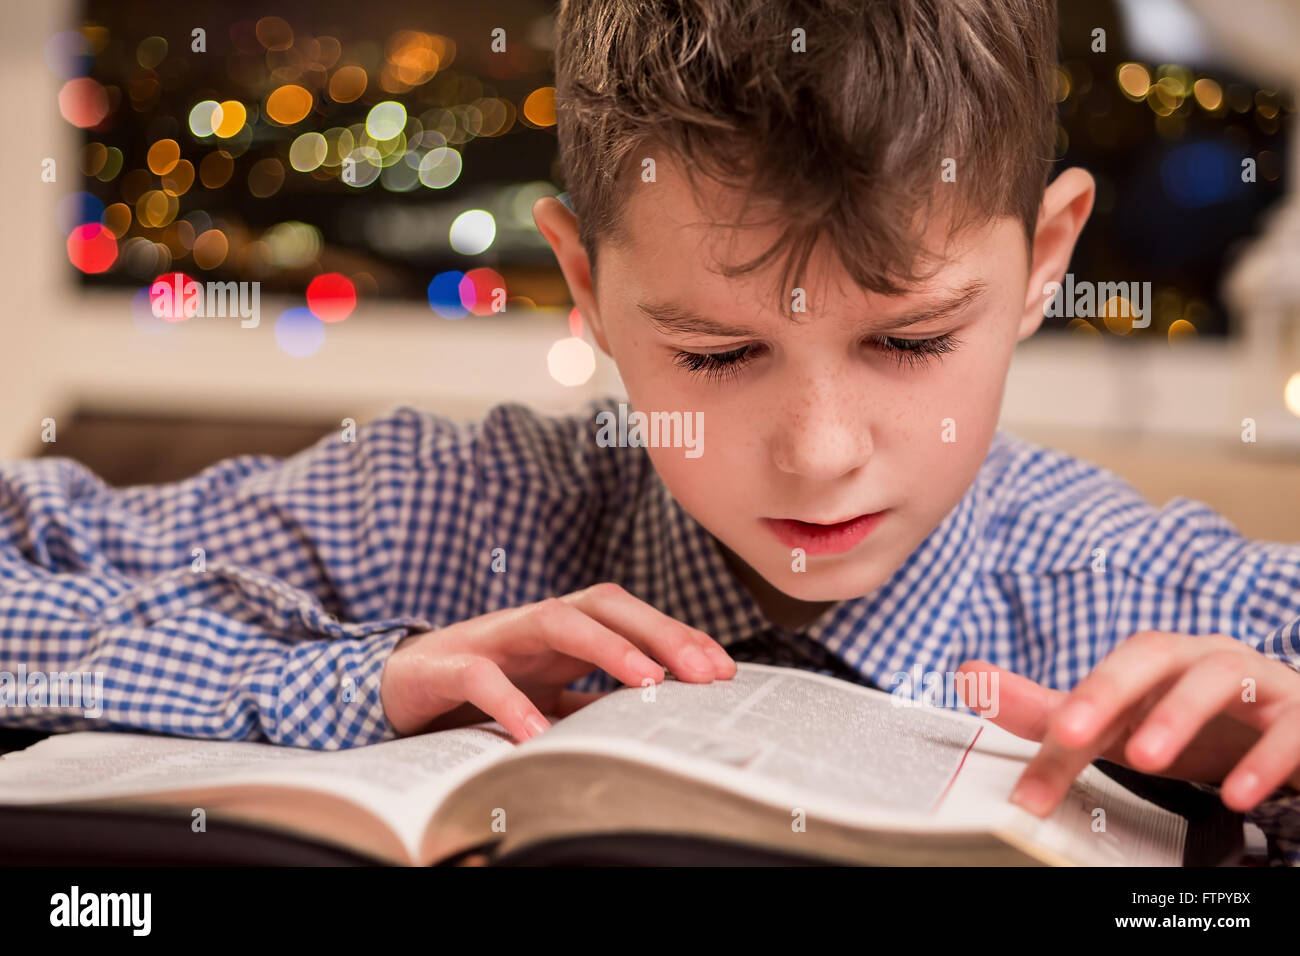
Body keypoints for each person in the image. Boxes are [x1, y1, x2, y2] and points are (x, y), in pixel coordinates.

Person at [2, 0, 1298, 864]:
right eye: (718, 353)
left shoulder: (1161, 605)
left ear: (1046, 259)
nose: (820, 451)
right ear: (585, 284)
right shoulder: (443, 512)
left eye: (908, 342)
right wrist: (350, 680)